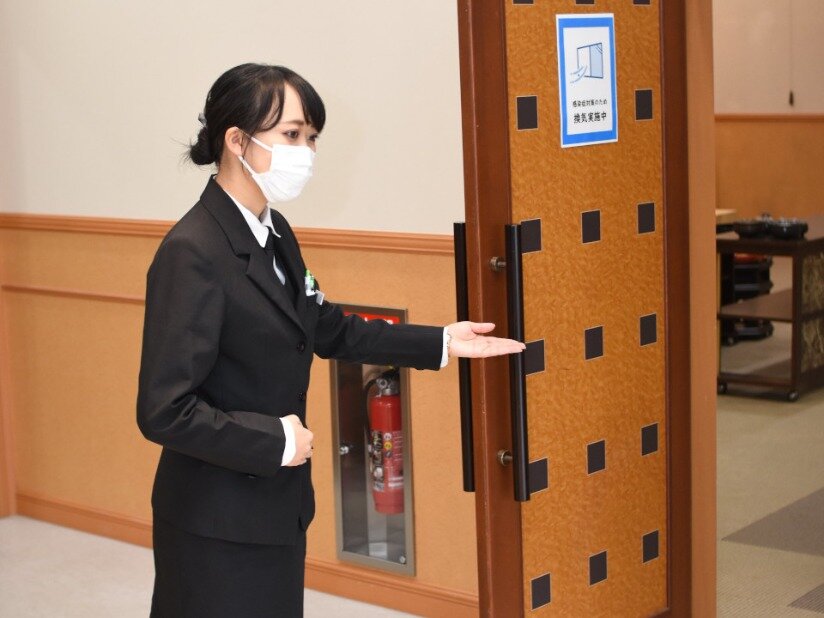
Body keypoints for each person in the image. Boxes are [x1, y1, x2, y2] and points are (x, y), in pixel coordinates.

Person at [136, 63, 524, 618]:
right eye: (292, 135)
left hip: (276, 506)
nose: (307, 153)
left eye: (312, 138)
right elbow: (164, 410)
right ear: (236, 141)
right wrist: (275, 441)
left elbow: (329, 329)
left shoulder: (274, 232)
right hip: (215, 518)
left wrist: (440, 341)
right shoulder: (192, 251)